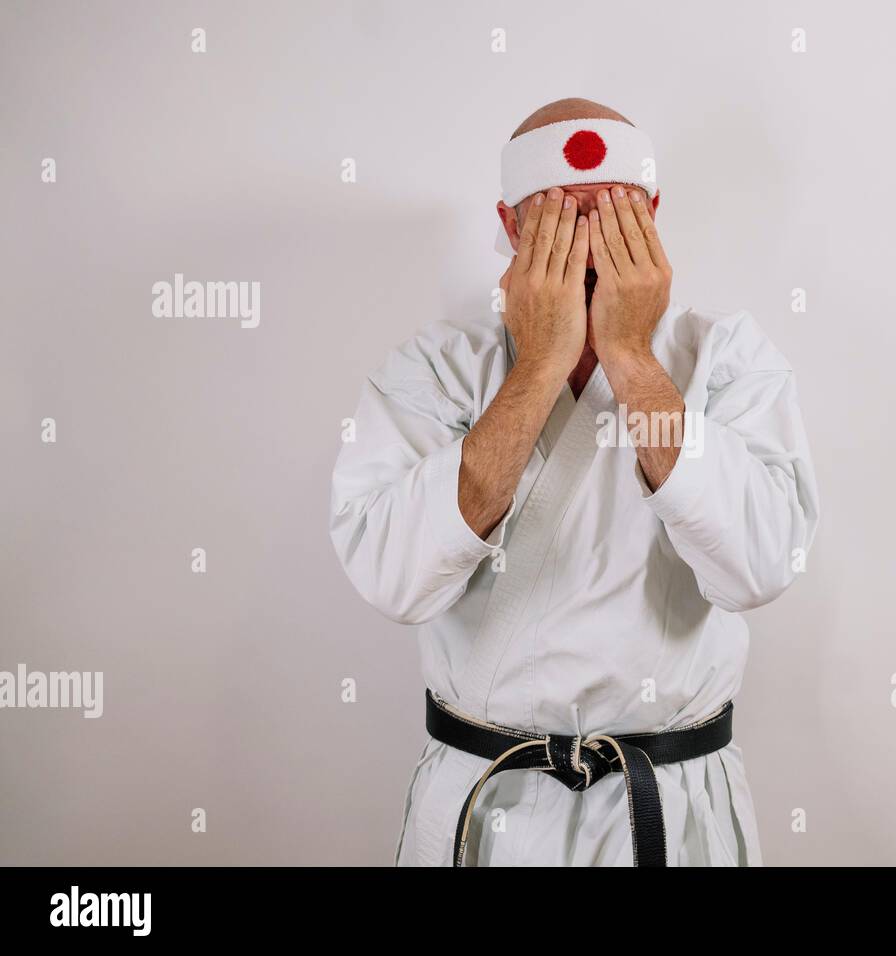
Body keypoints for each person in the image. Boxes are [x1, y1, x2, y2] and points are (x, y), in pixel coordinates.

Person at [329, 97, 819, 866]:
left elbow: (761, 567)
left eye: (616, 216)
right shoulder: (434, 371)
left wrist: (630, 358)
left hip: (672, 807)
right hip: (489, 806)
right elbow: (394, 581)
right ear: (512, 225)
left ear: (652, 217)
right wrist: (537, 367)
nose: (589, 245)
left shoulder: (727, 359)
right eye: (558, 218)